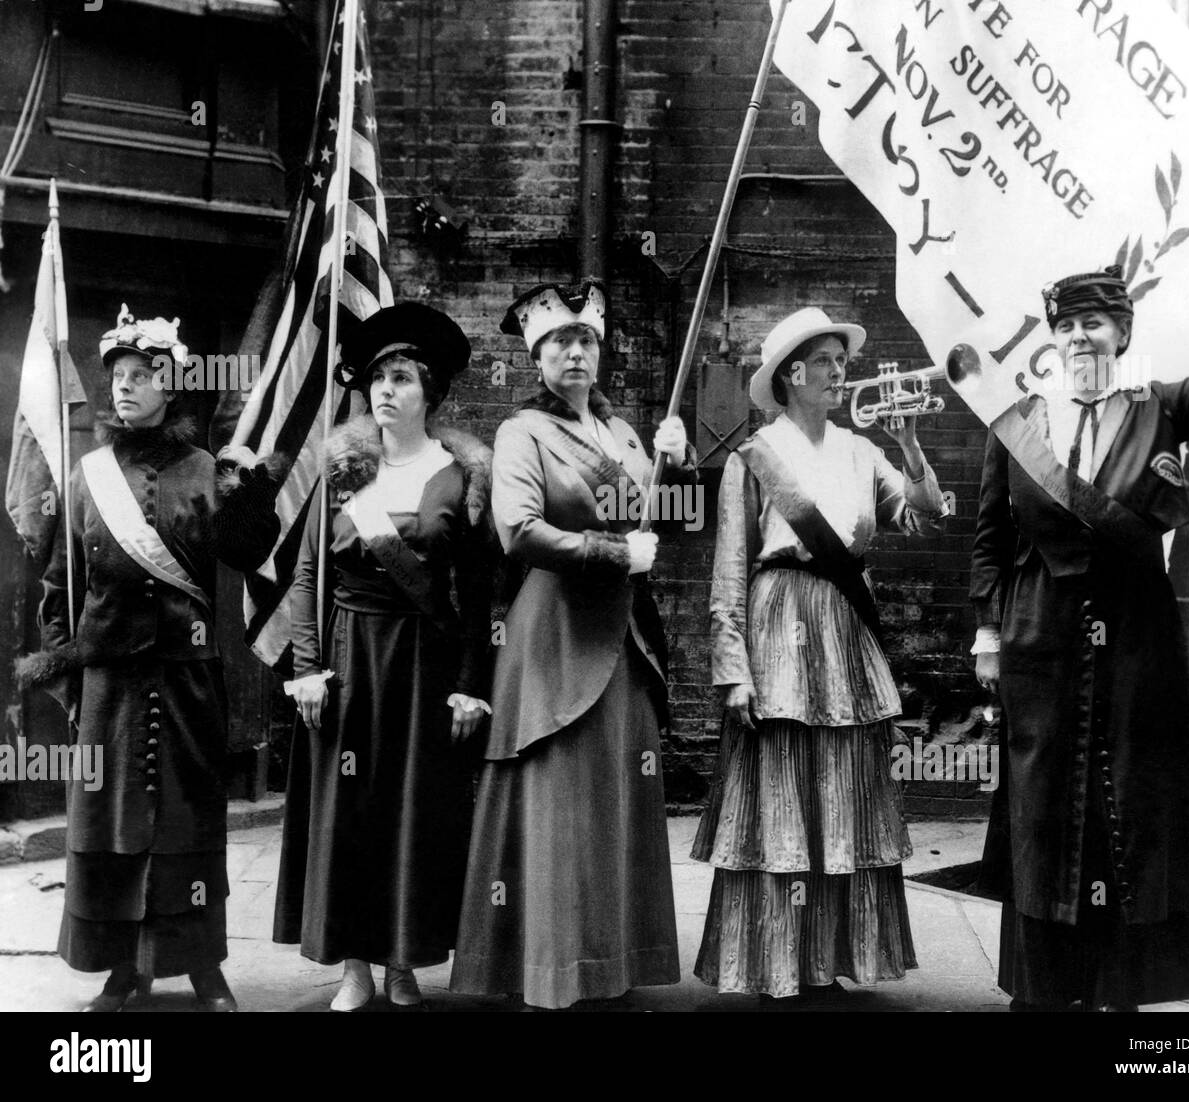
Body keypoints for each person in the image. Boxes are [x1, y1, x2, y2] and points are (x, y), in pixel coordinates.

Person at [970, 266, 1189, 1011]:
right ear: (1053, 341)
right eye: (1067, 325)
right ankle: (1044, 990)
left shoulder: (1160, 408)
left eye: (1095, 323)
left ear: (1122, 334)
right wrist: (988, 632)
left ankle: (1124, 988)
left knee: (1134, 805)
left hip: (1133, 640)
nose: (1080, 337)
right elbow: (990, 537)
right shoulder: (1017, 422)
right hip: (1039, 639)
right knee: (1046, 811)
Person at [17, 307, 281, 1011]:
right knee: (111, 822)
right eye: (120, 377)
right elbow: (57, 589)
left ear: (172, 382)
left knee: (187, 823)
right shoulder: (87, 477)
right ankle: (121, 968)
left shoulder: (207, 472)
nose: (127, 388)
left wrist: (251, 494)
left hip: (186, 677)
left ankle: (200, 966)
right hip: (110, 683)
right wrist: (68, 673)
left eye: (143, 375)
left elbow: (249, 555)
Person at [449, 279, 694, 1009]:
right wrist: (615, 555)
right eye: (561, 342)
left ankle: (608, 962)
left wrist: (673, 466)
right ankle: (551, 970)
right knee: (559, 803)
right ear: (537, 355)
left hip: (620, 638)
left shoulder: (621, 435)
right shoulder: (521, 432)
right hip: (555, 633)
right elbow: (518, 530)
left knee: (614, 799)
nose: (576, 352)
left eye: (586, 340)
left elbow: (660, 527)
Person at [691, 307, 948, 999]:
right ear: (791, 374)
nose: (842, 372)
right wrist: (732, 670)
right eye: (828, 361)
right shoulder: (752, 459)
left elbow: (923, 514)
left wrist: (912, 446)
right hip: (778, 628)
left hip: (843, 629)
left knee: (845, 792)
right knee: (781, 793)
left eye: (844, 360)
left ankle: (833, 956)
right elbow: (729, 572)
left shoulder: (863, 452)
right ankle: (778, 961)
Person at [272, 303, 495, 1012]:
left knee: (413, 812)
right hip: (348, 656)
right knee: (352, 812)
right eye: (376, 379)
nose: (385, 391)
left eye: (401, 378)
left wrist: (469, 686)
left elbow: (479, 593)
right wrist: (305, 667)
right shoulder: (341, 472)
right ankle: (355, 967)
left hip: (425, 662)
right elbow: (308, 574)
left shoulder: (462, 478)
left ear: (429, 391)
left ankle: (404, 962)